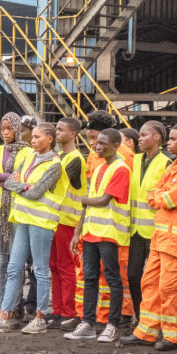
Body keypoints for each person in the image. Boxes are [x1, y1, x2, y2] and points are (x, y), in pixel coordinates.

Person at [121, 123, 177, 351]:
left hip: (176, 240)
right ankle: (146, 331)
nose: (169, 142)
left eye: (174, 139)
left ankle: (173, 336)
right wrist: (159, 196)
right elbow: (154, 194)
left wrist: (159, 196)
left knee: (170, 289)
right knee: (150, 284)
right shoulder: (174, 167)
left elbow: (167, 199)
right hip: (160, 236)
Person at [0, 122, 62, 335]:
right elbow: (11, 183)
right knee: (14, 268)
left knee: (40, 269)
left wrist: (19, 186)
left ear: (50, 139)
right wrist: (24, 186)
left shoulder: (54, 164)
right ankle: (4, 315)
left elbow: (36, 193)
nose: (32, 140)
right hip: (22, 218)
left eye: (37, 137)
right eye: (32, 137)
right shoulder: (28, 158)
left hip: (41, 223)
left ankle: (41, 317)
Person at [66, 128, 132, 341]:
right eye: (97, 143)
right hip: (92, 233)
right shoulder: (99, 168)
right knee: (90, 278)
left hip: (110, 234)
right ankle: (88, 322)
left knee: (112, 279)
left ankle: (112, 324)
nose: (97, 146)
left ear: (115, 145)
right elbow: (92, 201)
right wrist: (78, 231)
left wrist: (83, 201)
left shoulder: (120, 169)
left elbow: (103, 200)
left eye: (103, 143)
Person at [0, 112, 30, 321]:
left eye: (9, 128)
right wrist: (10, 179)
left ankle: (15, 304)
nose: (5, 133)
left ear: (18, 129)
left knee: (14, 261)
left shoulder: (28, 152)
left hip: (16, 210)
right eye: (2, 129)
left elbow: (24, 178)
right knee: (0, 260)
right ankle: (0, 303)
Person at [128, 121, 170, 321]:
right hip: (136, 230)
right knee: (133, 275)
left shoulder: (167, 163)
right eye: (139, 135)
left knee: (155, 279)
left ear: (157, 138)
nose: (140, 138)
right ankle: (140, 316)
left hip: (156, 231)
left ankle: (156, 318)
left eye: (144, 135)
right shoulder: (135, 160)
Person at [49, 117, 87, 329]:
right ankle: (57, 311)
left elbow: (53, 182)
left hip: (67, 221)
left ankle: (68, 312)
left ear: (73, 134)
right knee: (54, 267)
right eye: (56, 128)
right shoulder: (61, 156)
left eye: (61, 129)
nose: (57, 132)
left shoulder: (74, 159)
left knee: (65, 267)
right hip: (55, 220)